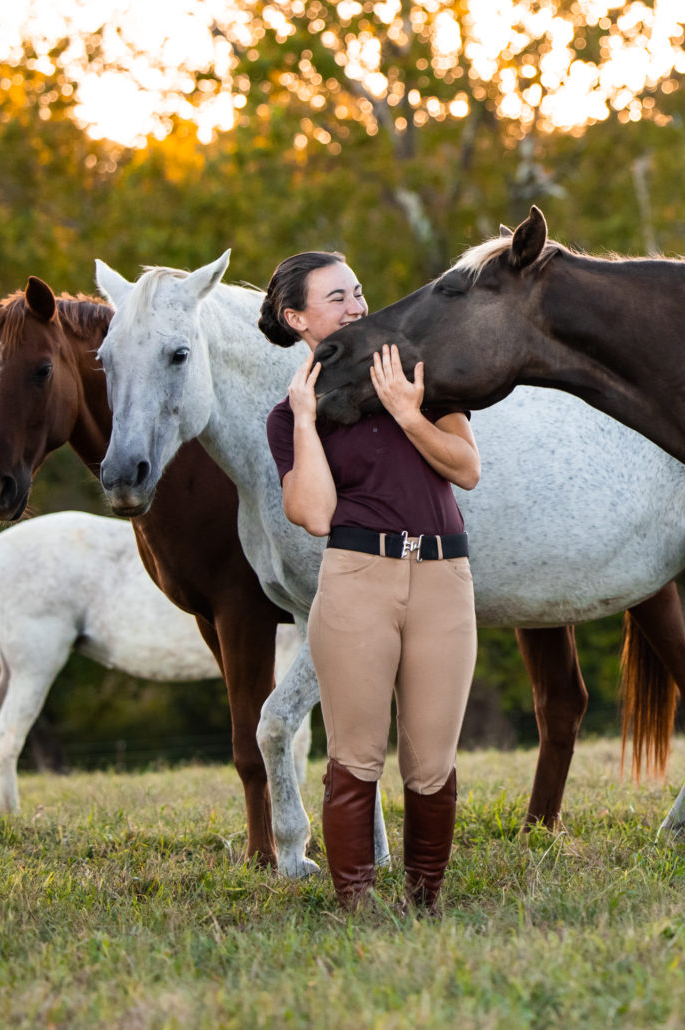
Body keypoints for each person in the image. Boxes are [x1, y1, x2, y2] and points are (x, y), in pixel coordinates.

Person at [260, 251, 481, 912]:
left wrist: (409, 413)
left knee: (432, 762)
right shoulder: (287, 419)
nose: (357, 306)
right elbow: (316, 514)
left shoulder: (424, 376)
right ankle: (355, 903)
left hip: (445, 578)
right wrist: (305, 419)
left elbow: (467, 470)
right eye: (336, 297)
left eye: (358, 291)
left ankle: (425, 900)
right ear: (298, 319)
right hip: (358, 581)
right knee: (355, 757)